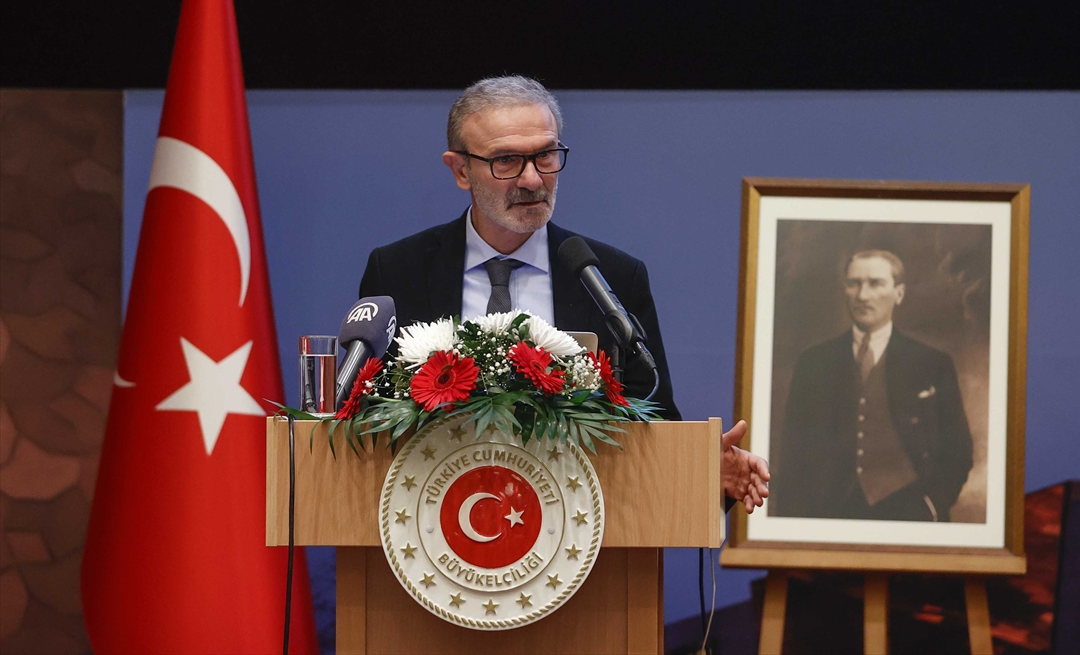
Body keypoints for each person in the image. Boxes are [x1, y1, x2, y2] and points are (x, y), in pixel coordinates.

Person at [359, 75, 770, 512]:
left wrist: (705, 472)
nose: (533, 179)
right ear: (461, 170)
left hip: (576, 531)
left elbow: (653, 420)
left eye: (546, 155)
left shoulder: (612, 277)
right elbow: (366, 423)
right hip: (432, 521)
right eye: (507, 161)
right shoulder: (399, 272)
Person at [773, 250, 973, 522]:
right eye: (854, 283)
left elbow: (958, 450)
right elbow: (793, 454)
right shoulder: (814, 362)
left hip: (909, 512)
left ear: (899, 293)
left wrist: (932, 505)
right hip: (829, 514)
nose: (863, 295)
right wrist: (792, 525)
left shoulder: (932, 363)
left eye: (875, 283)